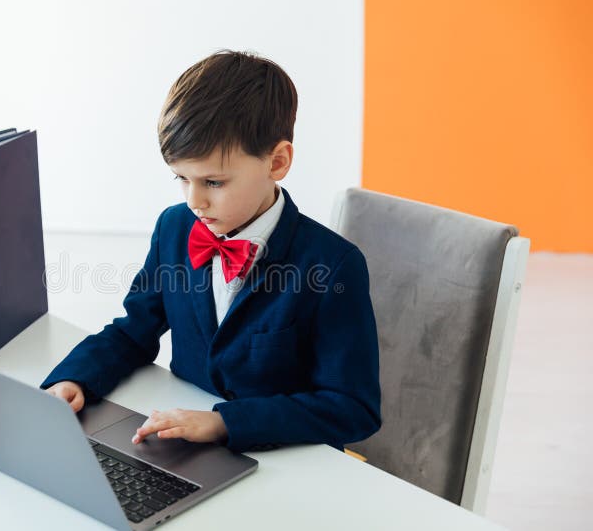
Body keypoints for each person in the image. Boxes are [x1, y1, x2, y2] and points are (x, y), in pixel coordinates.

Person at [42, 50, 381, 452]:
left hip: (284, 458)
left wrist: (224, 423)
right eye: (181, 178)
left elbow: (352, 407)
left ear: (277, 162)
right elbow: (134, 331)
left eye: (214, 182)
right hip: (185, 449)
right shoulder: (174, 227)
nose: (193, 201)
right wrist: (75, 378)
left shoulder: (334, 265)